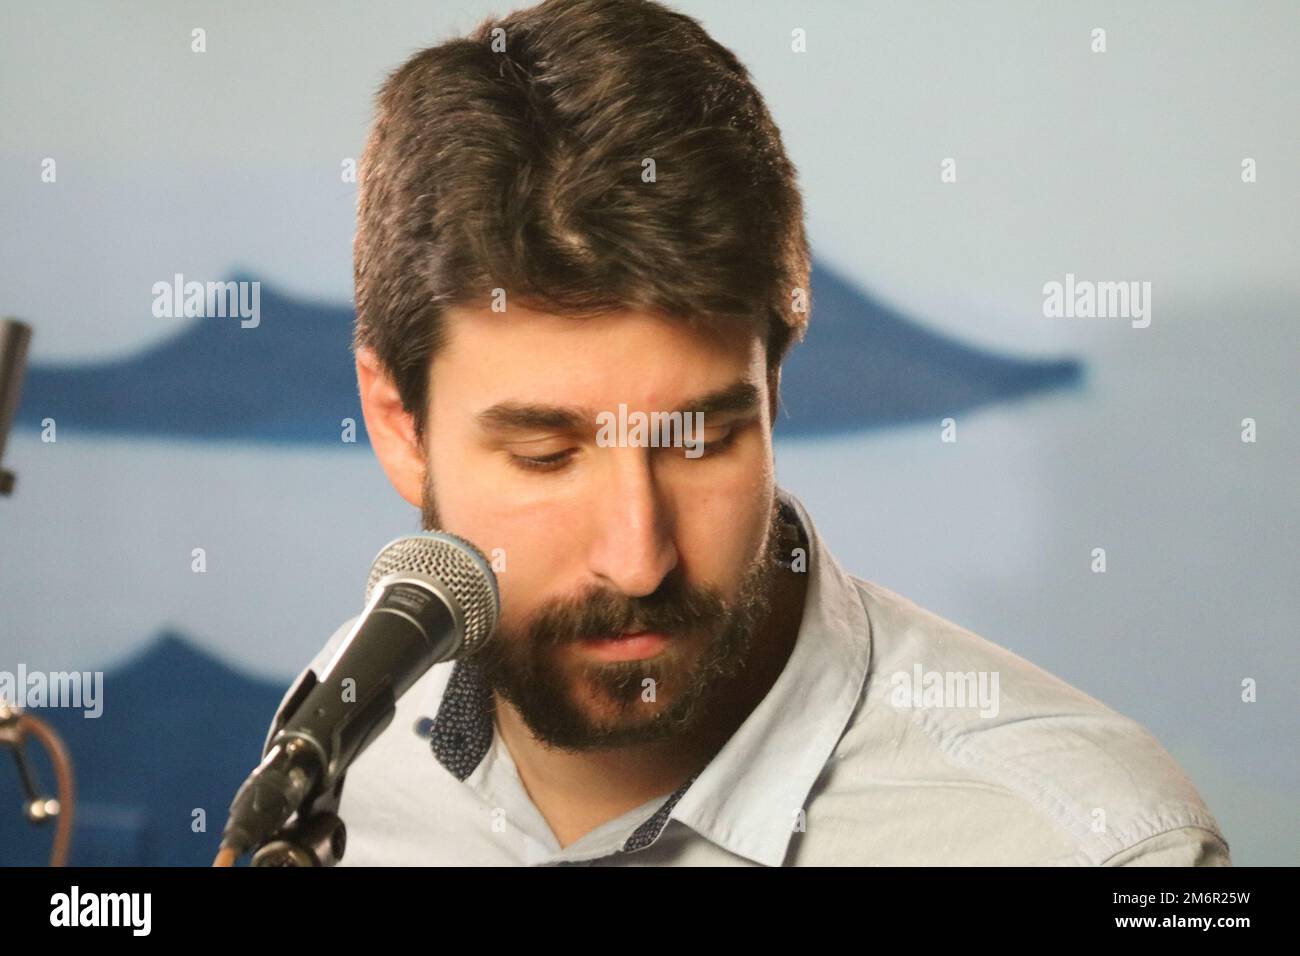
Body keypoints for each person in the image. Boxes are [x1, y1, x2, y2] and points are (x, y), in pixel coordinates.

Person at [266, 0, 1229, 865]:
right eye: (546, 456)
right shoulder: (338, 751)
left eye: (698, 441)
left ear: (773, 391)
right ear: (399, 425)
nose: (638, 561)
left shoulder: (1093, 846)